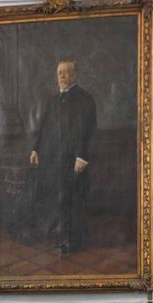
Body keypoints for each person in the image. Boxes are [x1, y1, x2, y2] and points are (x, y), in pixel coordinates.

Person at [28, 58, 96, 254]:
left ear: (75, 75)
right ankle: (63, 237)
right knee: (59, 199)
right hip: (54, 160)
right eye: (60, 73)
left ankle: (75, 240)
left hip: (75, 160)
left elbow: (89, 131)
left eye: (66, 72)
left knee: (74, 199)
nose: (63, 76)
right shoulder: (54, 101)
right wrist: (36, 149)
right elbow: (45, 128)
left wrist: (82, 157)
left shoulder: (86, 99)